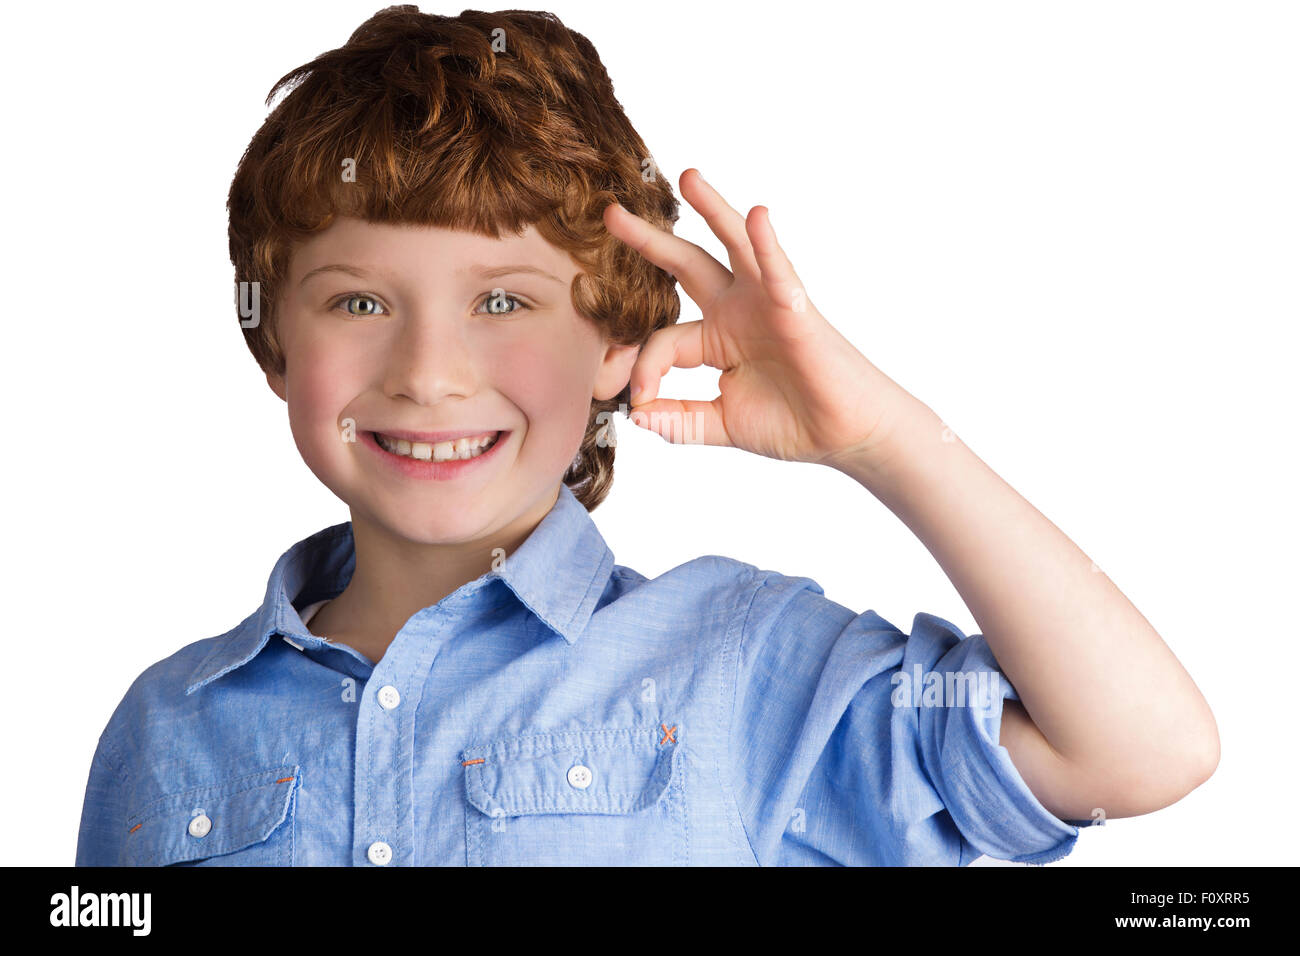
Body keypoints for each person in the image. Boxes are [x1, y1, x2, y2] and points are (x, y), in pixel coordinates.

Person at [74, 5, 1218, 866]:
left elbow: (1137, 748)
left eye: (505, 301)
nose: (427, 372)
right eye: (359, 302)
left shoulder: (748, 671)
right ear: (273, 344)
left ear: (620, 342)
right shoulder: (162, 728)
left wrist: (880, 436)